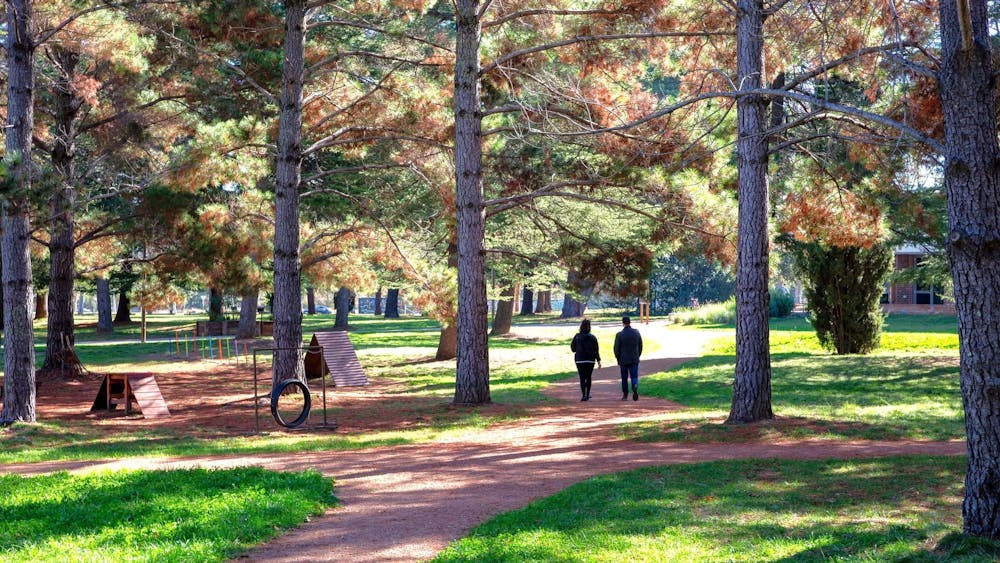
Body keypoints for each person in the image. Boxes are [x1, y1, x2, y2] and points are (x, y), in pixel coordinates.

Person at [570, 318, 601, 401]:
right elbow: (596, 350)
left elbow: (573, 349)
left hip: (580, 359)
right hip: (590, 360)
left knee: (582, 377)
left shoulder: (577, 337)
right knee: (588, 376)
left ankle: (583, 394)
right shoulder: (593, 337)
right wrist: (598, 360)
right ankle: (588, 394)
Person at [613, 316, 643, 401]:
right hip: (634, 358)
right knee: (634, 376)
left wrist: (617, 357)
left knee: (624, 377)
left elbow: (616, 348)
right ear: (630, 322)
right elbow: (640, 345)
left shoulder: (619, 334)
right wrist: (638, 355)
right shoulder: (636, 332)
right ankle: (635, 386)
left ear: (623, 323)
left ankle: (625, 394)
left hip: (623, 359)